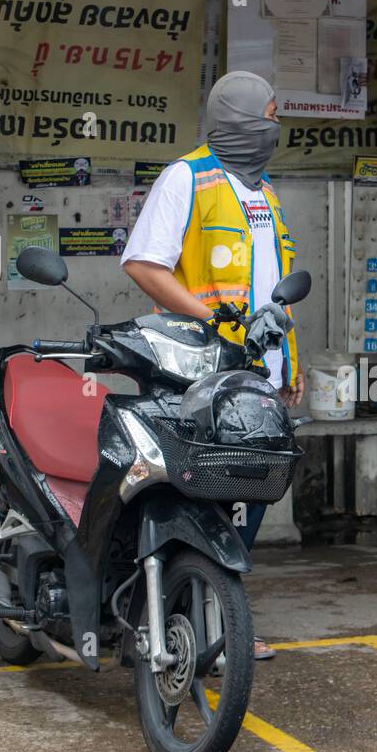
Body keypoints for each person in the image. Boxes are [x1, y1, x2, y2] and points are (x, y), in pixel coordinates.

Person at [120, 71, 307, 658]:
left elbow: (272, 291)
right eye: (268, 115)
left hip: (261, 377)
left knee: (249, 497)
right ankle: (187, 627)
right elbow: (145, 264)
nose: (274, 127)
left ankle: (220, 626)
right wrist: (214, 318)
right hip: (203, 371)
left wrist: (288, 365)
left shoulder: (264, 192)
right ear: (239, 118)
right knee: (200, 499)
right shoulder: (187, 178)